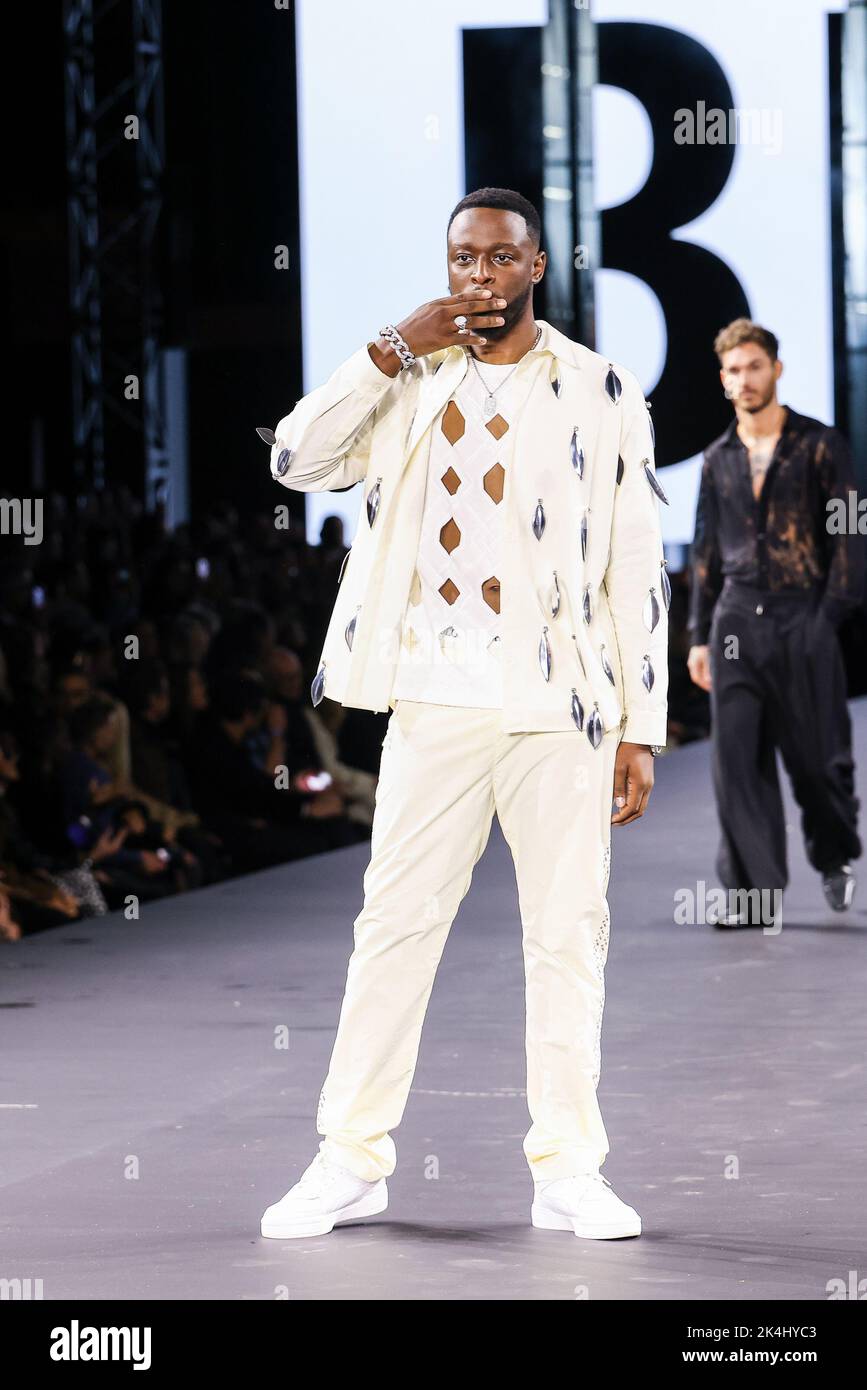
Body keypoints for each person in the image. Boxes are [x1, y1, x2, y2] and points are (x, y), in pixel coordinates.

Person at [259, 187, 669, 1240]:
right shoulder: (407, 375)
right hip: (433, 699)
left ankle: (568, 1169)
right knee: (392, 925)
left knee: (567, 934)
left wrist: (641, 725)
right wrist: (391, 346)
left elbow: (634, 566)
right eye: (460, 259)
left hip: (558, 705)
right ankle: (350, 1158)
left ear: (535, 266)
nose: (475, 277)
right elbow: (292, 458)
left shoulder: (598, 386)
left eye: (496, 259)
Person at [686, 317, 864, 926]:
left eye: (754, 366)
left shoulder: (822, 444)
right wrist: (696, 638)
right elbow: (706, 552)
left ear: (776, 369)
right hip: (735, 619)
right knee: (736, 762)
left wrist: (831, 613)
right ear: (723, 379)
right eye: (734, 370)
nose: (745, 379)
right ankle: (753, 898)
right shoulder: (716, 460)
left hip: (804, 615)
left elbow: (851, 529)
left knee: (820, 764)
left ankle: (836, 852)